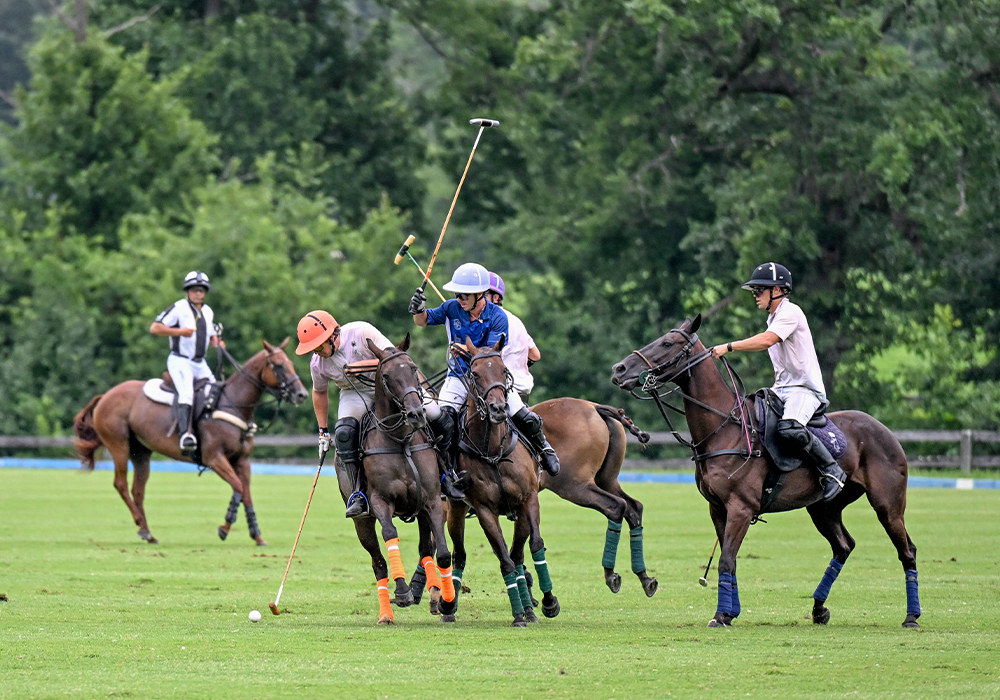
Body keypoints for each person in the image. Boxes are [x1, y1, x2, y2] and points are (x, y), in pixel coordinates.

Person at [409, 263, 559, 483]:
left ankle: (544, 449)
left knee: (523, 415)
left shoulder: (498, 316)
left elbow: (490, 354)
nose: (460, 298)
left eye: (465, 294)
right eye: (457, 293)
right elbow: (422, 321)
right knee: (443, 421)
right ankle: (448, 472)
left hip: (490, 377)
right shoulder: (451, 308)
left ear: (480, 294)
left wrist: (463, 349)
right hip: (459, 376)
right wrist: (418, 309)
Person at [710, 262, 846, 500]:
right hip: (781, 389)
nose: (755, 295)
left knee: (789, 428)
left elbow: (766, 341)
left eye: (759, 290)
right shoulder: (772, 318)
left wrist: (728, 347)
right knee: (752, 422)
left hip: (804, 390)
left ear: (778, 290)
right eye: (754, 291)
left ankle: (832, 471)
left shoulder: (790, 313)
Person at [295, 310, 413, 518]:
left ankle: (445, 476)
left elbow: (395, 357)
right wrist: (323, 431)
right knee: (344, 433)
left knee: (430, 412)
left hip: (387, 385)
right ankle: (358, 494)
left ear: (332, 335)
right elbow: (319, 392)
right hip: (353, 393)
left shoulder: (361, 332)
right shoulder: (317, 364)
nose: (317, 352)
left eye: (319, 346)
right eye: (313, 349)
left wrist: (361, 366)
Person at [484, 271, 559, 475]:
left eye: (482, 294)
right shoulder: (516, 320)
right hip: (523, 390)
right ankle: (542, 449)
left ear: (496, 297)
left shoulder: (490, 321)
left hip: (499, 390)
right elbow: (535, 354)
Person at [150, 270, 225, 455]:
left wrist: (216, 343)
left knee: (217, 390)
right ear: (187, 291)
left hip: (200, 363)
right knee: (186, 393)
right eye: (194, 289)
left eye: (201, 290)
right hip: (180, 361)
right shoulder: (179, 308)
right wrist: (179, 332)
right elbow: (155, 327)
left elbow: (209, 337)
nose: (198, 293)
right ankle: (185, 435)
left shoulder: (208, 312)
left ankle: (211, 432)